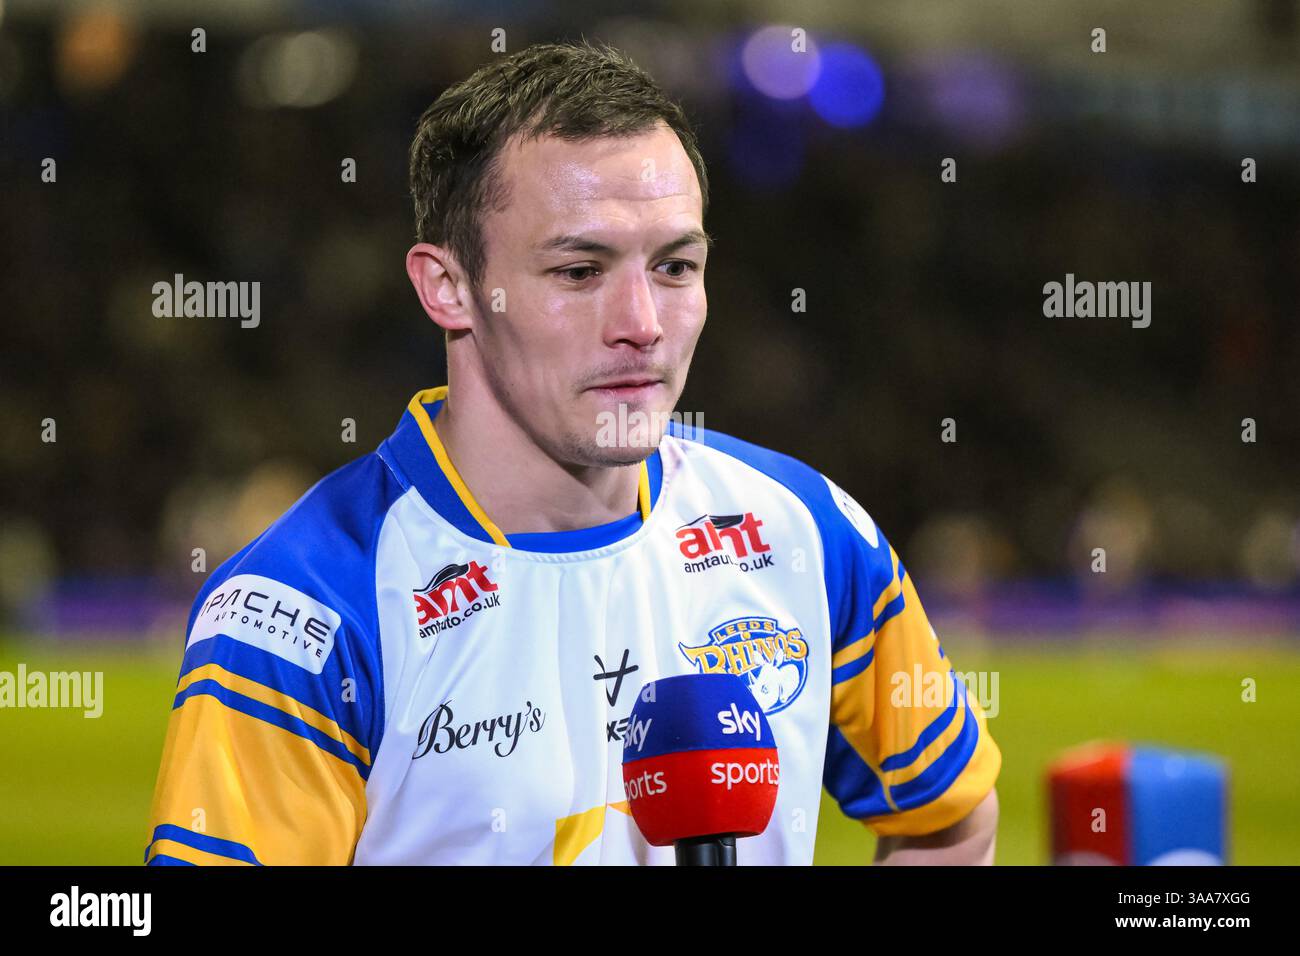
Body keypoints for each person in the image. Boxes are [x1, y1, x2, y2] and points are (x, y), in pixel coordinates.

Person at [144, 40, 1000, 865]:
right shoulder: (303, 612)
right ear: (450, 288)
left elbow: (949, 818)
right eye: (580, 271)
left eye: (674, 266)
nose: (643, 323)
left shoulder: (805, 532)